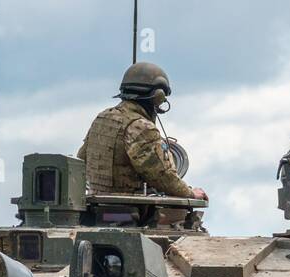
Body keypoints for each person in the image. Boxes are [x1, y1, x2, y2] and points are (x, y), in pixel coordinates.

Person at [79, 62, 208, 201]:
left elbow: (81, 159)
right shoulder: (141, 127)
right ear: (158, 96)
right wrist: (190, 193)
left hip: (95, 205)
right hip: (130, 209)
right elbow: (161, 176)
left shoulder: (103, 118)